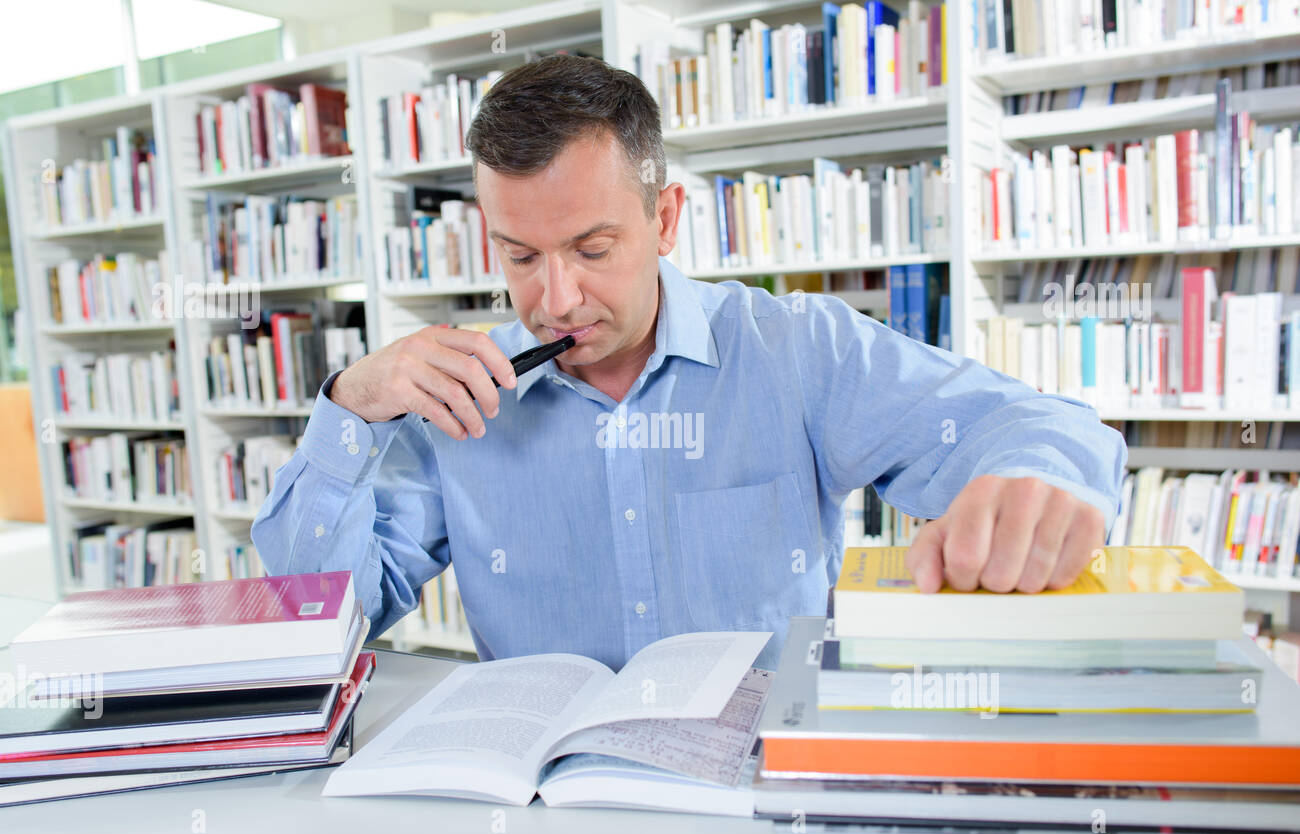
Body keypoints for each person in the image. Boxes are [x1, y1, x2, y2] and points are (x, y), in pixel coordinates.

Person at [251, 54, 1126, 670]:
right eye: (520, 256)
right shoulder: (464, 395)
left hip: (756, 811)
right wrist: (352, 405)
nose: (554, 299)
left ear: (665, 220)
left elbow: (1034, 427)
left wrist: (1033, 478)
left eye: (593, 248)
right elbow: (316, 618)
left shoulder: (795, 349)